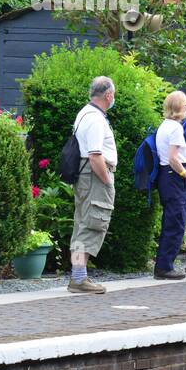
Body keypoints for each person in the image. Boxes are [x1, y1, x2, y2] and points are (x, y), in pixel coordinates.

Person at [69, 76, 117, 294]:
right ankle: (79, 279)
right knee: (92, 222)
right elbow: (95, 155)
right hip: (94, 174)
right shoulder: (96, 119)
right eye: (113, 95)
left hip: (84, 175)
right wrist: (107, 181)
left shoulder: (83, 113)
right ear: (108, 95)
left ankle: (78, 276)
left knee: (82, 223)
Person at [153, 91, 186, 280]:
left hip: (165, 176)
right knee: (176, 222)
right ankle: (165, 267)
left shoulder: (164, 126)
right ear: (180, 108)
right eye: (185, 104)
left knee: (170, 220)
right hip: (174, 175)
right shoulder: (175, 128)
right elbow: (173, 158)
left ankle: (164, 264)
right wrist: (185, 174)